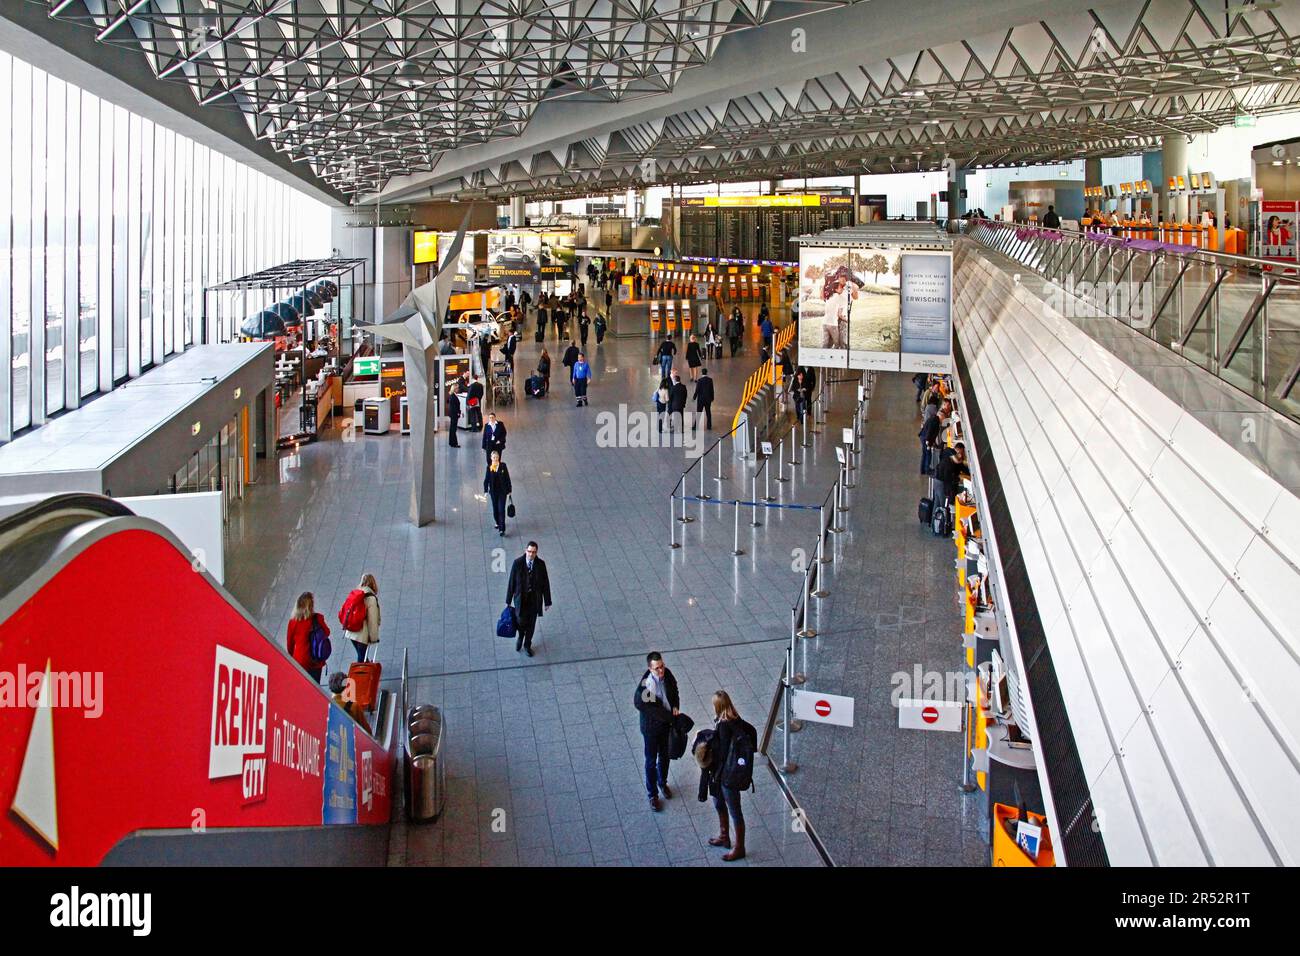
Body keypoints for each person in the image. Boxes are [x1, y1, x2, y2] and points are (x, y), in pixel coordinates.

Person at [704, 689, 756, 860]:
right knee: (720, 803)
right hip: (726, 774)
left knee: (734, 810)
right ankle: (724, 836)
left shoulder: (724, 725)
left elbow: (722, 754)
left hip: (727, 776)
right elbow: (752, 731)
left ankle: (739, 847)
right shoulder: (736, 718)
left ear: (718, 706)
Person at [634, 652, 680, 811]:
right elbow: (648, 708)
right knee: (651, 761)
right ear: (650, 668)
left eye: (662, 666)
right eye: (657, 668)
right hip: (652, 729)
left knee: (665, 756)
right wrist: (671, 718)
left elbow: (674, 690)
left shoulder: (667, 675)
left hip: (666, 726)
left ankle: (662, 782)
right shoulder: (646, 687)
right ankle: (652, 795)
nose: (661, 671)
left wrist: (675, 706)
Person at [505, 540, 552, 656]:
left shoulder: (540, 564)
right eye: (529, 551)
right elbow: (512, 581)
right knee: (521, 622)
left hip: (534, 600)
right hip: (521, 600)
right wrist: (508, 600)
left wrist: (547, 601)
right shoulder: (518, 563)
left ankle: (527, 644)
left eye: (534, 552)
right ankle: (520, 637)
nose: (531, 554)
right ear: (526, 551)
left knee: (531, 624)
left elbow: (545, 583)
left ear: (536, 553)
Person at [286, 591, 330, 684]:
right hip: (316, 660)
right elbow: (327, 632)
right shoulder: (317, 618)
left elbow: (290, 645)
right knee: (315, 686)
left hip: (300, 661)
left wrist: (291, 658)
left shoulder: (293, 622)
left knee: (303, 687)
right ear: (311, 606)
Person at [344, 572, 381, 663]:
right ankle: (361, 675)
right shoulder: (371, 598)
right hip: (361, 634)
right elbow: (372, 620)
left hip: (351, 631)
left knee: (362, 655)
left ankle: (366, 666)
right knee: (361, 659)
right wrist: (373, 638)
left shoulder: (355, 593)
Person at [483, 450, 513, 536]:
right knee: (495, 509)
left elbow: (507, 478)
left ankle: (502, 529)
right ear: (491, 458)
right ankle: (497, 522)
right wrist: (485, 491)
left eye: (496, 457)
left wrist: (509, 489)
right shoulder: (489, 468)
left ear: (499, 457)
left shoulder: (503, 466)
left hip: (502, 492)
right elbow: (486, 480)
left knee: (501, 510)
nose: (495, 459)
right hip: (493, 492)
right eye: (493, 457)